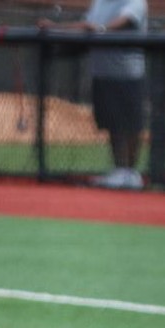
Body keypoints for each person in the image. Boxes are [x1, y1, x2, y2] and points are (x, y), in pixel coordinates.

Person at [39, 0, 150, 189]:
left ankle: (131, 173)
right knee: (112, 123)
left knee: (129, 124)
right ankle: (119, 170)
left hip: (127, 73)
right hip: (102, 73)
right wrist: (55, 28)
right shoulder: (100, 2)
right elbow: (86, 27)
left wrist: (101, 28)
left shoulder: (135, 2)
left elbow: (124, 22)